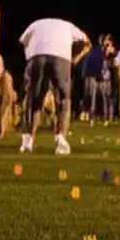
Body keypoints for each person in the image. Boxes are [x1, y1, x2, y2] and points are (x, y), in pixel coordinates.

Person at [18, 17, 90, 154]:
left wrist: (30, 60)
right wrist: (76, 58)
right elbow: (87, 43)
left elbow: (24, 43)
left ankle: (27, 140)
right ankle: (61, 139)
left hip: (36, 56)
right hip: (60, 56)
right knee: (63, 98)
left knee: (34, 98)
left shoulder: (35, 24)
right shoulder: (69, 26)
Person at [81, 34, 114, 123]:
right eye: (105, 40)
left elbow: (109, 59)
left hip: (102, 75)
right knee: (94, 96)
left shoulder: (107, 49)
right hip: (96, 73)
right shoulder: (96, 49)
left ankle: (106, 117)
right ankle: (92, 116)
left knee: (104, 96)